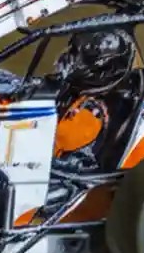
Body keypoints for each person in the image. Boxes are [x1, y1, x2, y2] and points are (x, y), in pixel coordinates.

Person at [50, 29, 135, 171]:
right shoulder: (73, 93)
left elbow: (51, 157)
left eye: (76, 54)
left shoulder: (89, 115)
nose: (68, 57)